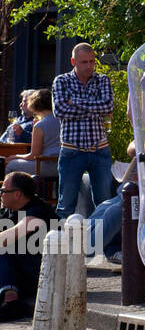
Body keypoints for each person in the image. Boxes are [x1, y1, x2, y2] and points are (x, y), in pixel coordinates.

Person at [52, 43, 115, 219]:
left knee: (104, 204)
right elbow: (60, 111)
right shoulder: (62, 81)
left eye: (92, 61)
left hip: (99, 149)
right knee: (66, 205)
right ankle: (60, 243)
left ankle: (101, 244)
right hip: (72, 150)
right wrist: (94, 106)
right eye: (84, 62)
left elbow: (108, 106)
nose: (89, 66)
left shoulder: (102, 79)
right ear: (73, 61)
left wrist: (75, 101)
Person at [0, 172, 57, 319]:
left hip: (47, 274)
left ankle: (11, 300)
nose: (1, 194)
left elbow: (10, 236)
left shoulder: (37, 210)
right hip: (25, 268)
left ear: (17, 194)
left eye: (3, 191)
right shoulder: (10, 210)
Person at [4, 88, 59, 181]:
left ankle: (13, 194)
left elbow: (33, 155)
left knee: (11, 164)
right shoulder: (61, 121)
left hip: (47, 166)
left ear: (34, 104)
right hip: (63, 165)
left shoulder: (40, 125)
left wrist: (16, 156)